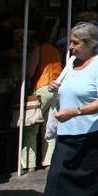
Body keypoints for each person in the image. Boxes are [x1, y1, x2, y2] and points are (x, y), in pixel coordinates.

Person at [16, 22, 98, 196]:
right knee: (55, 179)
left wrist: (76, 111)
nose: (70, 47)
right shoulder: (71, 62)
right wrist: (55, 86)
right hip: (67, 131)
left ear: (90, 44)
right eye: (71, 42)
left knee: (95, 176)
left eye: (75, 43)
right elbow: (66, 88)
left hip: (93, 131)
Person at [24, 30, 63, 171]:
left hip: (41, 87)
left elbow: (30, 72)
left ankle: (29, 163)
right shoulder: (55, 50)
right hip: (56, 88)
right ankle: (48, 161)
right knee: (49, 126)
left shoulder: (38, 49)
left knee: (31, 126)